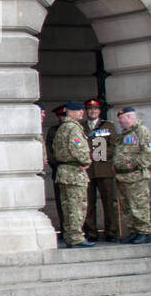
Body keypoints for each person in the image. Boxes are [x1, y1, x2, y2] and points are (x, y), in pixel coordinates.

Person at [52, 101, 94, 249]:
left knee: (68, 206)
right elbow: (78, 148)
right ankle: (76, 237)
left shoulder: (62, 128)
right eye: (78, 111)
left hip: (64, 173)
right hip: (74, 173)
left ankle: (70, 236)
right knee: (77, 206)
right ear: (70, 112)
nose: (82, 113)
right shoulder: (73, 128)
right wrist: (86, 161)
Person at [82, 98, 119, 242]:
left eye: (95, 109)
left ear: (99, 111)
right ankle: (91, 232)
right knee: (89, 203)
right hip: (88, 170)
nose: (93, 111)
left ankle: (111, 231)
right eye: (90, 109)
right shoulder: (81, 126)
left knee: (108, 202)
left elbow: (114, 145)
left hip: (104, 169)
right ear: (86, 111)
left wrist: (99, 153)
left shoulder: (108, 126)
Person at [113, 106, 151, 244]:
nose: (119, 122)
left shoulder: (142, 131)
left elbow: (148, 152)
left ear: (129, 117)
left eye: (121, 119)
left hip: (136, 177)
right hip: (123, 177)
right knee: (127, 207)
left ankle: (144, 232)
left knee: (139, 206)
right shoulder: (125, 134)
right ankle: (134, 231)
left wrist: (135, 164)